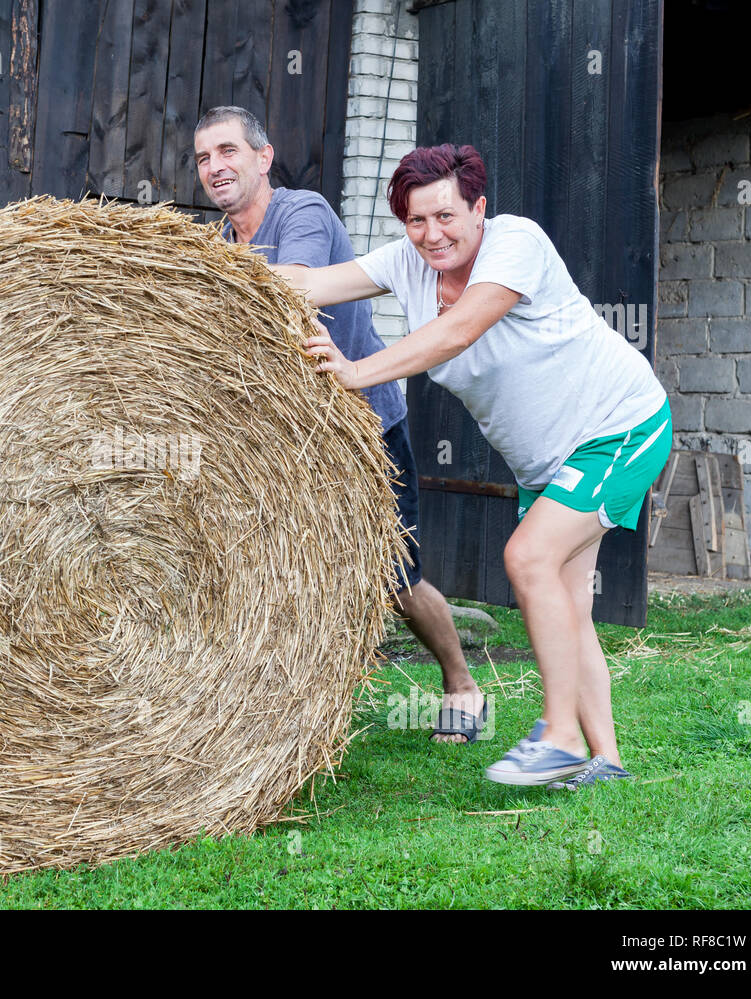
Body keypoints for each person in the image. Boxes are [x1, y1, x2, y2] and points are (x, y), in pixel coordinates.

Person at [280, 143, 671, 787]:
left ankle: (560, 736)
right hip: (548, 462)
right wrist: (199, 267)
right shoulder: (407, 263)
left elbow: (458, 331)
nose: (432, 235)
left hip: (619, 426)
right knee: (570, 607)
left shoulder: (516, 242)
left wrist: (354, 373)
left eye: (445, 216)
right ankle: (607, 763)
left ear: (478, 208)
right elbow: (312, 282)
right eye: (415, 221)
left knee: (528, 558)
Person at [194, 106, 490, 745]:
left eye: (227, 151)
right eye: (202, 158)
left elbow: (287, 289)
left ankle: (463, 686)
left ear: (263, 158)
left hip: (364, 427)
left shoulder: (301, 213)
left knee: (395, 574)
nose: (215, 168)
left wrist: (185, 283)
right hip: (284, 440)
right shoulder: (218, 248)